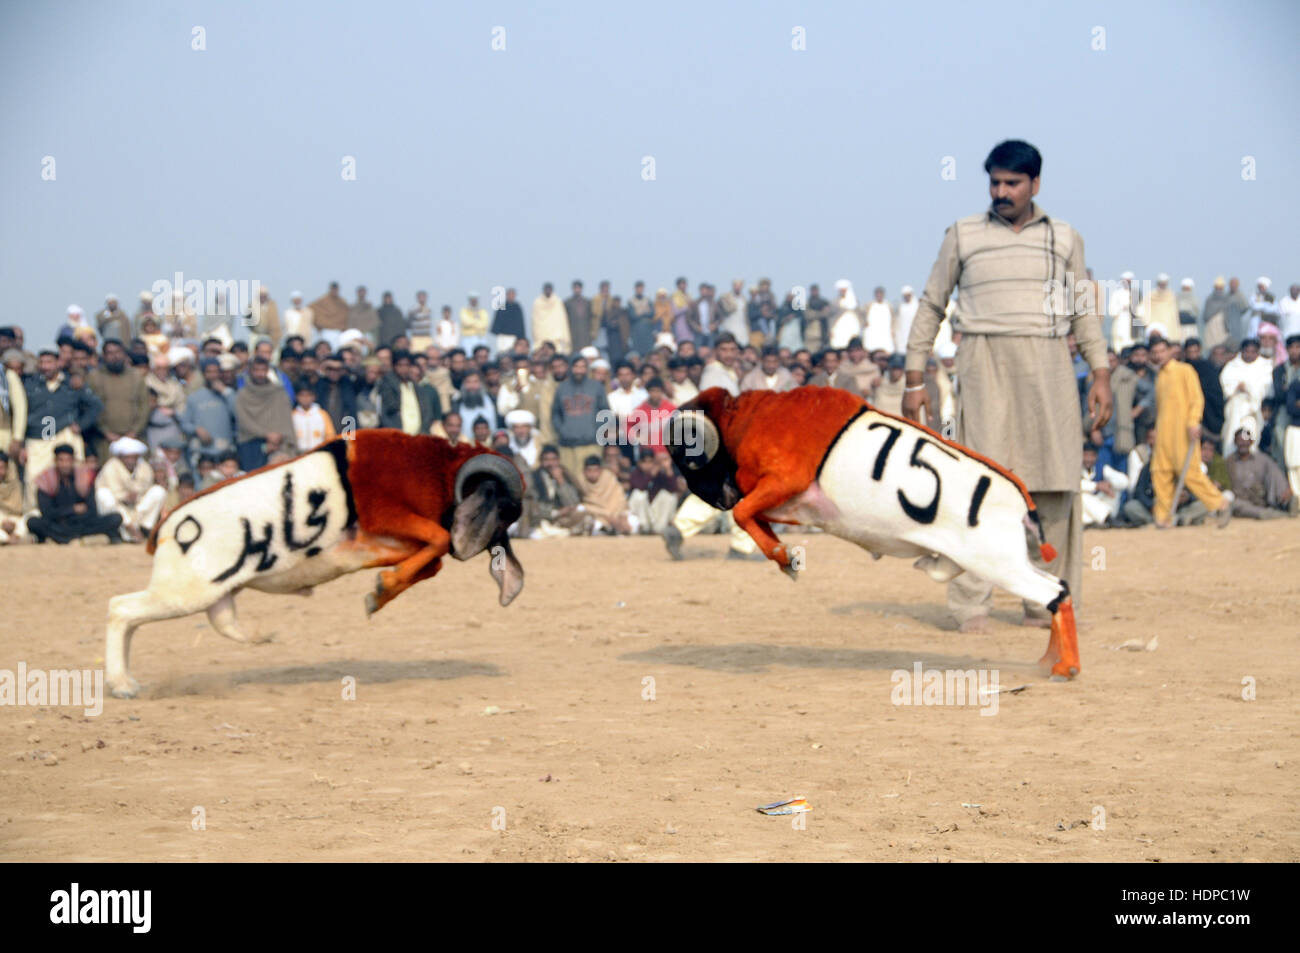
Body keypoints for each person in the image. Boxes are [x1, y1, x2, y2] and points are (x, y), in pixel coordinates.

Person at [904, 139, 1112, 631]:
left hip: (1049, 362)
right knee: (978, 486)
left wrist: (1101, 372)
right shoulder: (963, 233)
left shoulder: (1065, 237)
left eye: (1012, 183)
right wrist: (915, 378)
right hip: (983, 361)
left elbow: (1083, 309)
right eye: (994, 182)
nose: (1001, 191)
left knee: (1056, 485)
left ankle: (1048, 601)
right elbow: (933, 304)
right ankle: (971, 604)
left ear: (1035, 184)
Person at [1148, 336, 1231, 528]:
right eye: (1155, 353)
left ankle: (1220, 504)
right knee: (1160, 472)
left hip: (1183, 432)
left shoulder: (1184, 370)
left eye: (1162, 351)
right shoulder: (1159, 376)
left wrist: (1194, 422)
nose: (1159, 355)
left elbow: (1196, 398)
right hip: (1163, 434)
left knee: (1190, 473)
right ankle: (1163, 517)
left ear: (1170, 351)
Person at [23, 350, 102, 510]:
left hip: (64, 434)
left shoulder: (71, 383)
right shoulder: (30, 384)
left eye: (49, 362)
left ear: (58, 363)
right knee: (33, 478)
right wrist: (22, 443)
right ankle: (35, 515)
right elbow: (21, 413)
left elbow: (96, 406)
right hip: (38, 437)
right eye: (42, 362)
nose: (45, 366)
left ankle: (79, 512)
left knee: (75, 475)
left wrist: (80, 424)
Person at [27, 443, 124, 544]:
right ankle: (78, 539)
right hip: (59, 523)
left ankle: (63, 539)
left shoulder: (84, 478)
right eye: (61, 460)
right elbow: (47, 513)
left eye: (68, 460)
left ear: (73, 461)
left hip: (83, 523)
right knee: (33, 522)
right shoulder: (46, 480)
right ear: (55, 461)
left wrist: (78, 515)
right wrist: (72, 509)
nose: (65, 464)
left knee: (116, 518)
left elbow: (92, 509)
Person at [95, 436, 167, 541]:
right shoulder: (110, 467)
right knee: (103, 494)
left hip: (138, 507)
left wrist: (136, 496)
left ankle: (144, 528)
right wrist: (125, 497)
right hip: (118, 508)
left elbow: (145, 488)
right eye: (127, 457)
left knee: (158, 491)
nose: (131, 460)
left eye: (134, 457)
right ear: (120, 457)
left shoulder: (144, 467)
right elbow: (113, 491)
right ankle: (126, 529)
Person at [234, 356, 296, 471]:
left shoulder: (279, 393)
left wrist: (277, 438)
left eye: (263, 370)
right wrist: (266, 435)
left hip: (279, 444)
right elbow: (243, 421)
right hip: (252, 446)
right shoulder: (242, 395)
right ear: (250, 371)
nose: (260, 374)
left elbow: (286, 420)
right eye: (256, 370)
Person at [1225, 423, 1293, 518]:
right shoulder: (1229, 461)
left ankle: (1287, 503)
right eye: (1239, 440)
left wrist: (1285, 489)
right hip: (1241, 503)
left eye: (1246, 440)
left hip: (1261, 499)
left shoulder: (1262, 460)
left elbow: (1275, 475)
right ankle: (1274, 514)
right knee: (1236, 505)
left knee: (1274, 472)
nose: (1243, 443)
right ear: (1235, 442)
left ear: (1251, 441)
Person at [1219, 337, 1273, 452]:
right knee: (1232, 437)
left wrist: (1250, 390)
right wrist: (1237, 388)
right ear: (1242, 351)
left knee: (1251, 438)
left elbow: (1267, 389)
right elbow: (1227, 389)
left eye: (1253, 352)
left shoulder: (1265, 366)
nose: (1249, 355)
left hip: (1254, 411)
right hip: (1235, 410)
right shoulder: (1232, 366)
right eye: (1247, 351)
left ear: (1258, 352)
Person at [1079, 441, 1129, 527]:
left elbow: (1125, 481)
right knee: (1081, 496)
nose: (1088, 459)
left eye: (1091, 456)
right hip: (1085, 510)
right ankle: (1106, 520)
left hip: (1102, 504)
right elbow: (1077, 485)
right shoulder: (1076, 469)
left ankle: (1106, 519)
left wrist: (1109, 484)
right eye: (1085, 455)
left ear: (1096, 456)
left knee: (1115, 489)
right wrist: (1096, 486)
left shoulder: (1102, 468)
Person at [291, 382, 337, 452]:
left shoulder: (322, 414)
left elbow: (330, 435)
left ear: (314, 397)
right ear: (297, 397)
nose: (305, 398)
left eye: (308, 395)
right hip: (298, 453)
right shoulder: (293, 415)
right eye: (302, 395)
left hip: (318, 452)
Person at [532, 283, 570, 353]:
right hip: (541, 335)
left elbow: (562, 319)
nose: (548, 291)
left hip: (555, 336)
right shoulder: (537, 302)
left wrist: (565, 336)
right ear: (543, 290)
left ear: (552, 290)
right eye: (546, 289)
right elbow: (535, 321)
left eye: (549, 289)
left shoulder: (557, 301)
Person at [0, 450, 28, 544]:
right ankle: (8, 539)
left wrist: (12, 522)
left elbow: (18, 510)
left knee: (31, 518)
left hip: (15, 519)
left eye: (2, 468)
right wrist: (2, 522)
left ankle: (13, 537)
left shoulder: (15, 483)